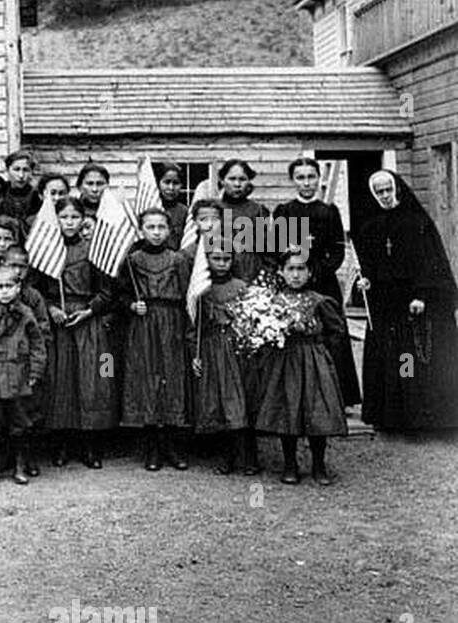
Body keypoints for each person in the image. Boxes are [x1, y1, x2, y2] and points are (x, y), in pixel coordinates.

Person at [352, 169, 458, 431]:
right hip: (384, 304)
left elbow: (432, 263)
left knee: (407, 357)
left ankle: (413, 412)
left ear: (397, 189)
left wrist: (421, 294)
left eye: (388, 190)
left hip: (411, 304)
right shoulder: (371, 226)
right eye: (379, 192)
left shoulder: (416, 221)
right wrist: (365, 282)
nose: (385, 196)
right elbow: (369, 266)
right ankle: (392, 415)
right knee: (390, 357)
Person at [253, 248, 348, 484]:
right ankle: (290, 464)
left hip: (313, 362)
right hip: (284, 362)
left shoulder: (320, 301)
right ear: (281, 272)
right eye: (290, 269)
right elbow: (261, 334)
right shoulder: (273, 302)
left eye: (301, 269)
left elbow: (336, 332)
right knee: (288, 411)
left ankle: (318, 465)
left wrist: (323, 355)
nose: (295, 275)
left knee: (317, 412)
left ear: (310, 273)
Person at [38, 196, 118, 468]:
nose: (69, 223)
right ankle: (62, 444)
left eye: (74, 217)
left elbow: (108, 291)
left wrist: (90, 310)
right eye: (64, 217)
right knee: (61, 382)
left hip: (87, 322)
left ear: (83, 219)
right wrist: (50, 309)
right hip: (59, 324)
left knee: (93, 380)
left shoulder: (93, 251)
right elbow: (35, 289)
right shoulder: (46, 250)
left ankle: (90, 446)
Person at [120, 207, 193, 471]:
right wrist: (131, 306)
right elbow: (121, 294)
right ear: (141, 230)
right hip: (144, 323)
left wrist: (186, 328)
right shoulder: (132, 259)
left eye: (161, 227)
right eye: (150, 227)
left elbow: (188, 297)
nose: (156, 232)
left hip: (171, 322)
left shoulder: (178, 259)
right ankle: (151, 447)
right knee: (147, 378)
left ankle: (171, 446)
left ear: (169, 230)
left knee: (171, 380)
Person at [0, 266, 48, 484]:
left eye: (9, 286)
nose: (4, 291)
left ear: (18, 288)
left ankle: (19, 466)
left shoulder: (26, 314)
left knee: (20, 422)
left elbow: (37, 344)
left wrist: (35, 371)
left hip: (18, 375)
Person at [190, 246, 248, 474]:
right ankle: (224, 456)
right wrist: (195, 353)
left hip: (236, 349)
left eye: (227, 258)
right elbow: (194, 326)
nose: (222, 263)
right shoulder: (201, 289)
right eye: (216, 258)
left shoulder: (241, 287)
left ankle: (245, 456)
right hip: (211, 349)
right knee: (217, 401)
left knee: (238, 400)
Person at [217, 158, 272, 284]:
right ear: (222, 180)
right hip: (220, 273)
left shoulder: (258, 210)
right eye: (232, 179)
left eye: (242, 179)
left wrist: (264, 275)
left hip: (249, 273)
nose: (237, 184)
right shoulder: (214, 209)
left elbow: (266, 248)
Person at [3, 149, 42, 226]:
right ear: (7, 170)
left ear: (31, 172)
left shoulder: (36, 195)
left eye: (26, 170)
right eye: (16, 169)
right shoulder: (1, 191)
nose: (21, 175)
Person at [155, 162, 189, 248]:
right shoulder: (151, 206)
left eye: (176, 183)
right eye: (167, 182)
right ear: (158, 183)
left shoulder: (185, 212)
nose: (171, 187)